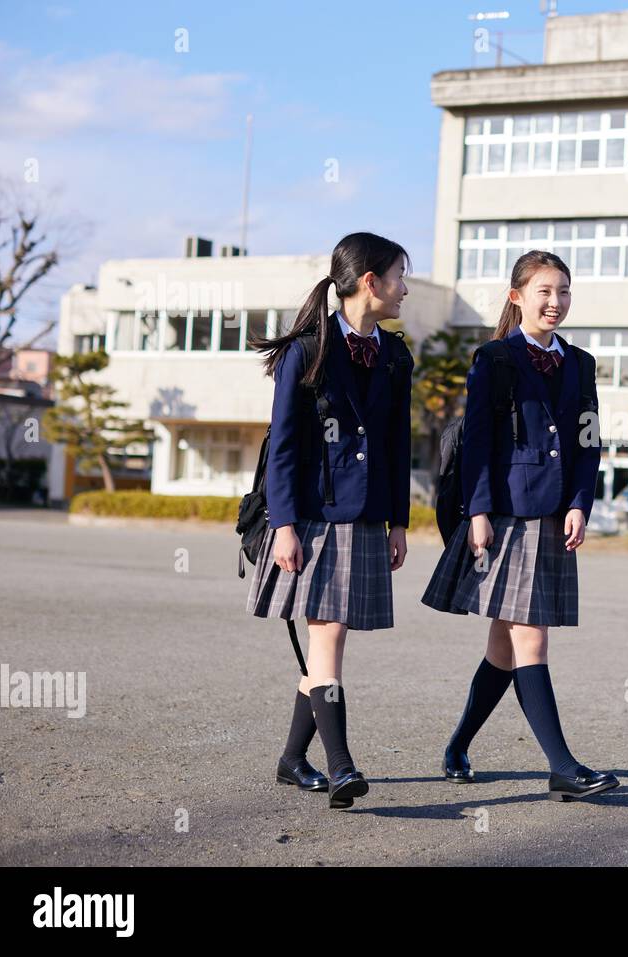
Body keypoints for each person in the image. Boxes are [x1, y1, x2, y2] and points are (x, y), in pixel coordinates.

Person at [421, 249, 618, 802]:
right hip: (506, 512)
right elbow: (479, 440)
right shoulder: (495, 358)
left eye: (563, 292)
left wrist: (581, 501)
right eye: (544, 292)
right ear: (517, 297)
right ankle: (563, 766)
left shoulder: (580, 363)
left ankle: (458, 745)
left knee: (505, 646)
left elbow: (587, 438)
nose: (555, 302)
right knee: (530, 636)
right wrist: (477, 511)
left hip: (556, 514)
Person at [246, 231, 413, 810]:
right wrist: (285, 524)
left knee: (326, 643)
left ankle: (293, 759)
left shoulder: (395, 355)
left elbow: (396, 444)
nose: (404, 289)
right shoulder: (308, 349)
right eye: (398, 277)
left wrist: (398, 521)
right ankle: (341, 766)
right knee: (329, 639)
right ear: (371, 282)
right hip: (312, 518)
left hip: (367, 517)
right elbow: (286, 446)